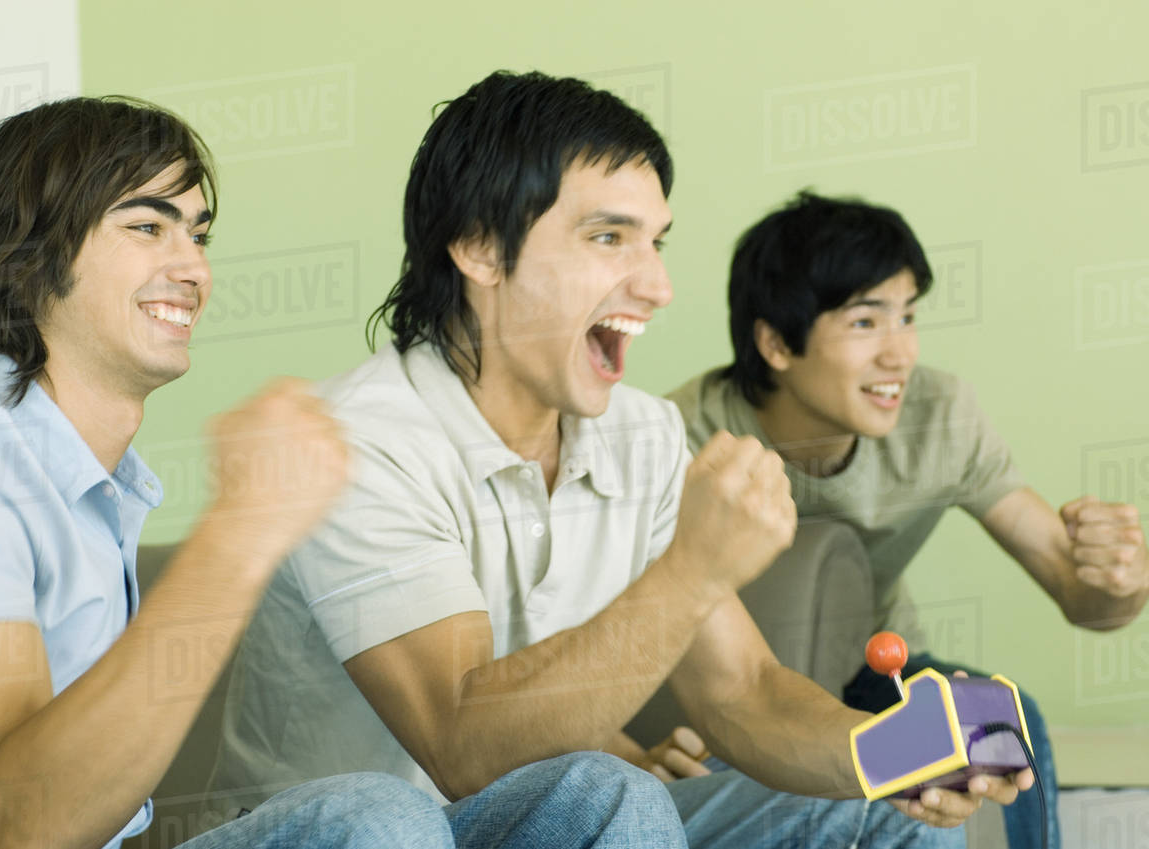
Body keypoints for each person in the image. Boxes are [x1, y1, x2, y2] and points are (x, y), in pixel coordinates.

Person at [207, 71, 1028, 848]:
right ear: (481, 249)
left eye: (656, 242)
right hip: (355, 828)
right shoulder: (361, 438)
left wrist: (892, 753)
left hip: (527, 818)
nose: (658, 285)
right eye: (609, 237)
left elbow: (743, 692)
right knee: (589, 794)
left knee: (882, 810)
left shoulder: (642, 435)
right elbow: (458, 742)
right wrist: (692, 569)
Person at [0, 96, 449, 849]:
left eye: (199, 233)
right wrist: (242, 528)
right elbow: (26, 824)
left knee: (592, 793)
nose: (194, 269)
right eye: (149, 226)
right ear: (25, 259)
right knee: (376, 817)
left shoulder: (107, 487)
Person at [667, 190, 1149, 849]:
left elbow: (1078, 591)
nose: (900, 354)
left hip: (874, 666)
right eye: (866, 323)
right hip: (725, 686)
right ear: (776, 342)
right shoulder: (687, 439)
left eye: (909, 316)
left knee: (1007, 722)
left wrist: (1119, 581)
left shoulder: (941, 416)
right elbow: (648, 625)